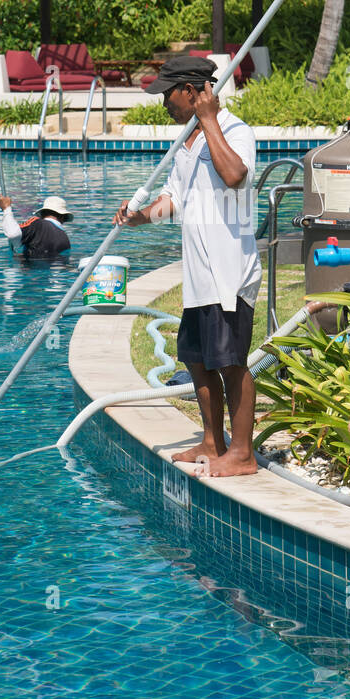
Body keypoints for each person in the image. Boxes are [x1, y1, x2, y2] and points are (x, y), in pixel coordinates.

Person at [113, 56, 261, 477]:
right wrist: (141, 217)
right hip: (198, 276)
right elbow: (174, 201)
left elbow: (235, 176)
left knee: (231, 362)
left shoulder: (233, 130)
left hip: (229, 271)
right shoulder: (184, 144)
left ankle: (244, 454)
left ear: (193, 91)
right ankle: (213, 441)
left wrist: (210, 120)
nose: (163, 102)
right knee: (197, 359)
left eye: (167, 93)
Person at [0, 194, 72, 260]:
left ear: (42, 213)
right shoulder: (65, 239)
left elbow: (13, 234)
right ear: (63, 217)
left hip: (28, 272)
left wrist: (7, 209)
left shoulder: (37, 223)